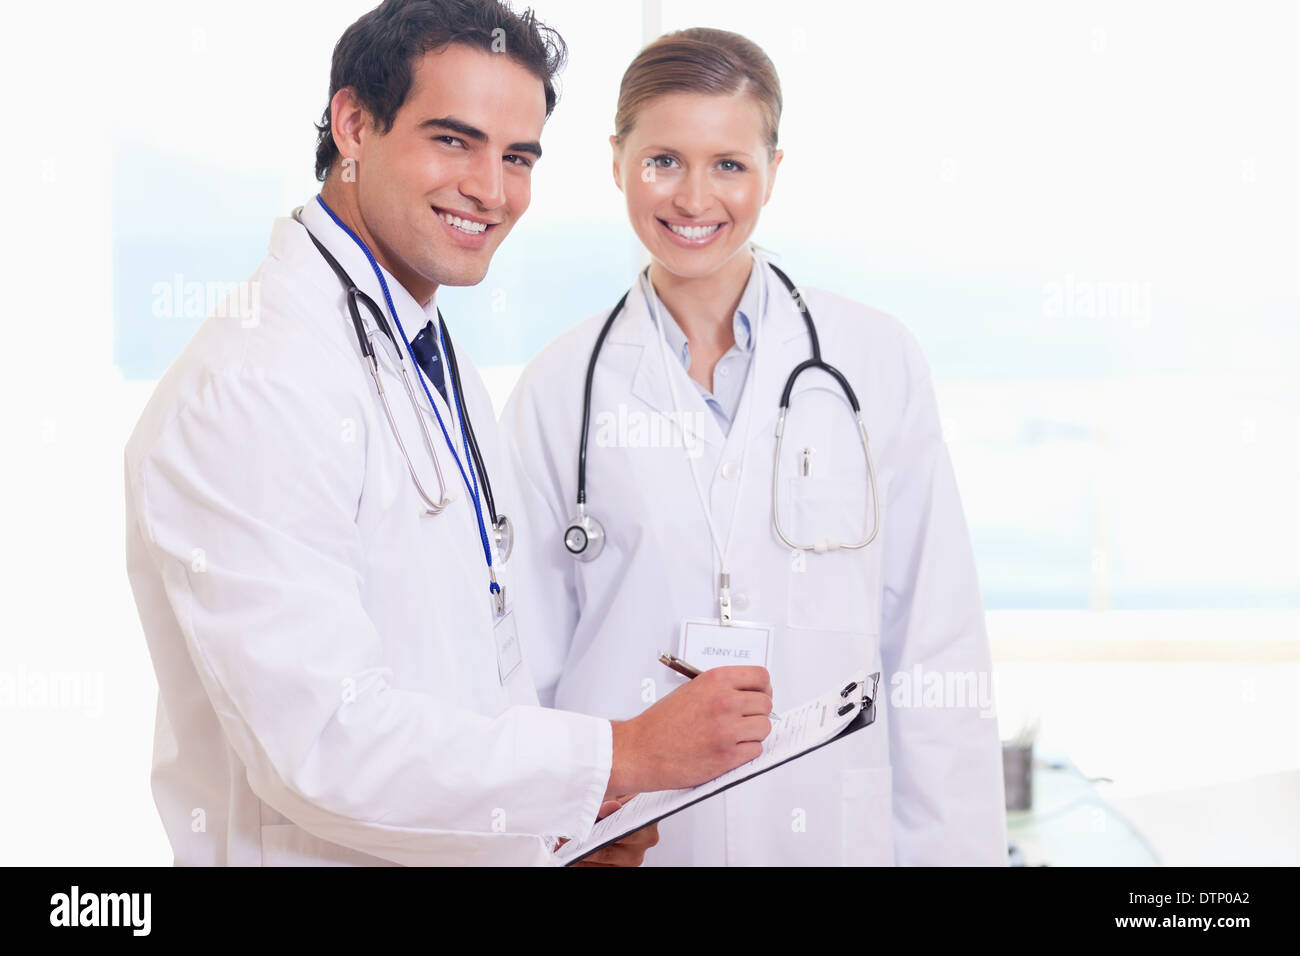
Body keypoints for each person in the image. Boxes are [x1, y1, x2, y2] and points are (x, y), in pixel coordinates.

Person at [124, 0, 772, 867]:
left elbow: (463, 677)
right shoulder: (256, 383)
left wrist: (557, 828)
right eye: (453, 141)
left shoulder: (425, 349)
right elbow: (324, 740)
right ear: (354, 124)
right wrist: (625, 753)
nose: (491, 191)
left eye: (518, 157)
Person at [503, 27, 1007, 866]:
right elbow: (524, 667)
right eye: (663, 159)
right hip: (633, 840)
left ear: (774, 170)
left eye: (729, 164)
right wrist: (548, 829)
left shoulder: (874, 361)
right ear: (617, 160)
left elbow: (932, 639)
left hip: (828, 830)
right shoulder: (558, 390)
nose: (694, 198)